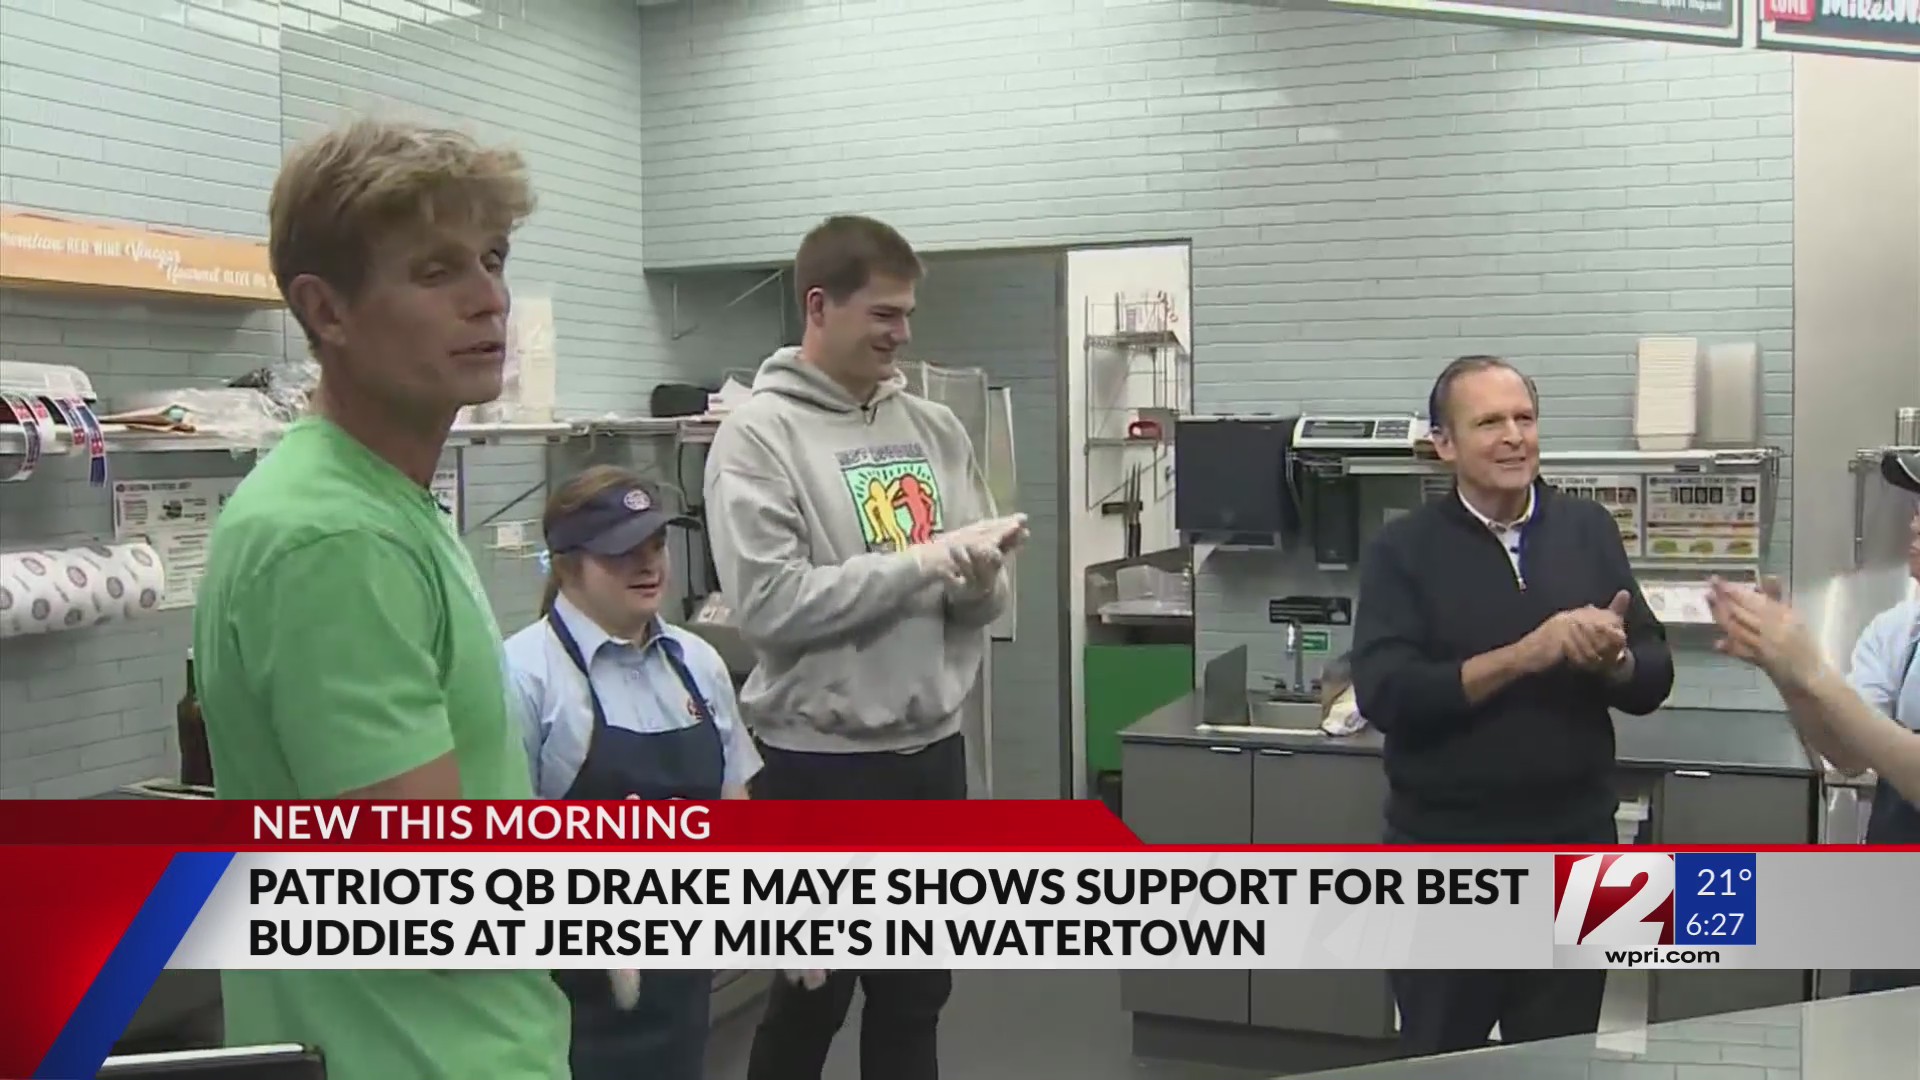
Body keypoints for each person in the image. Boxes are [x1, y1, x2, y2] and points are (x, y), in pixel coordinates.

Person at [190, 119, 568, 1078]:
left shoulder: (380, 497)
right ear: (328, 311)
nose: (490, 300)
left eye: (492, 259)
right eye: (437, 271)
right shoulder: (334, 536)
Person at [702, 214, 1026, 1080]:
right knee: (811, 999)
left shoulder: (933, 428)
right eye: (883, 314)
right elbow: (770, 607)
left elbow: (979, 601)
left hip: (930, 759)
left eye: (907, 313)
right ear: (819, 305)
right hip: (821, 768)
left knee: (916, 995)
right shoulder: (759, 436)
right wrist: (921, 562)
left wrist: (977, 576)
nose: (903, 333)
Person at [1350, 355, 1675, 1055]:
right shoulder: (1402, 550)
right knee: (1440, 1053)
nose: (1513, 437)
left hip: (1577, 848)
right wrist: (1529, 654)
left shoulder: (1588, 529)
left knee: (1561, 1056)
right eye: (1488, 422)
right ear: (1444, 444)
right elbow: (1387, 692)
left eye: (1524, 419)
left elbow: (1653, 674)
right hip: (1444, 855)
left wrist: (1615, 660)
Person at [503, 465, 761, 1080]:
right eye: (621, 553)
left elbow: (733, 805)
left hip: (679, 981)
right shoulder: (523, 675)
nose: (647, 567)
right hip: (568, 995)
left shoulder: (697, 661)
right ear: (566, 564)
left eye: (655, 546)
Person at [1707, 453, 1920, 994]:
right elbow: (1849, 753)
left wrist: (1815, 673)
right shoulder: (1902, 631)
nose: (1915, 523)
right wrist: (1786, 674)